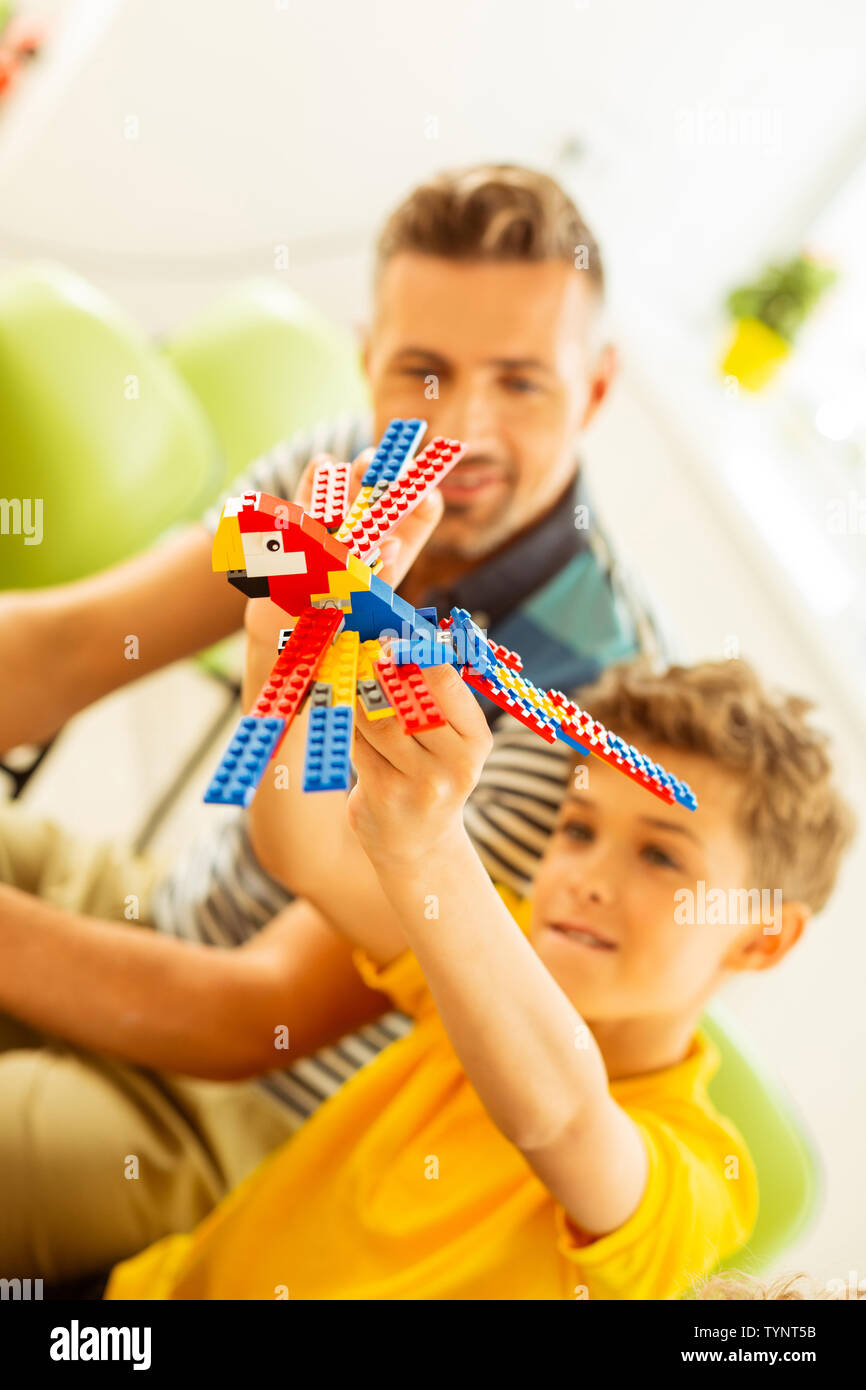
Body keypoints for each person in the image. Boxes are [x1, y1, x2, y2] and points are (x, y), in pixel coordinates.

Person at [0, 165, 668, 1283]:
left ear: (594, 390)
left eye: (520, 383)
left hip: (248, 1111)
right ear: (368, 357)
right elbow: (72, 645)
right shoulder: (330, 481)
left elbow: (253, 1013)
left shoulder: (597, 696)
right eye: (424, 371)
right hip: (144, 911)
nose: (460, 427)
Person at [103, 656, 854, 1300]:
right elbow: (310, 855)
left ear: (762, 934)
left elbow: (560, 1120)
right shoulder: (497, 947)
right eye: (579, 829)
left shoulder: (705, 1183)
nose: (586, 879)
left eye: (660, 856)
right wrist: (290, 651)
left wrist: (427, 845)